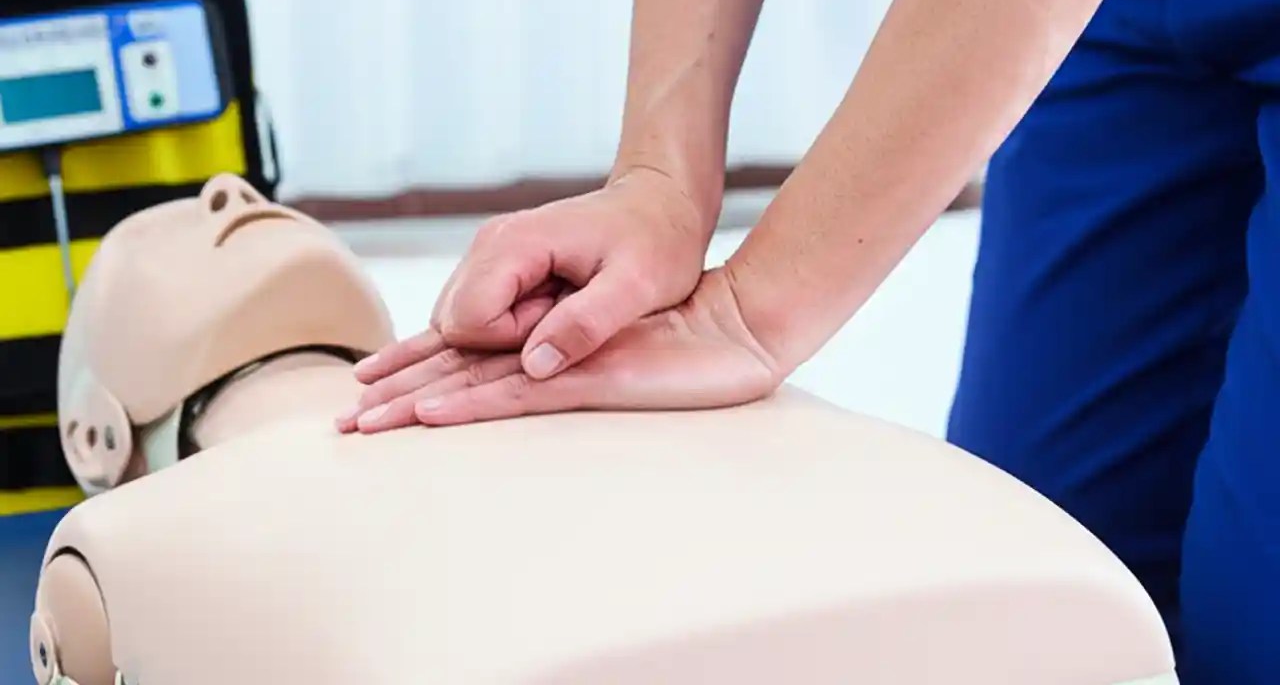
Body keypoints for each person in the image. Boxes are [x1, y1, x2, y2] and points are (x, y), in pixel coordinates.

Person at [339, 0, 1280, 681]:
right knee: (1050, 602)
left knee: (1254, 625)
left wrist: (753, 312)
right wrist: (659, 180)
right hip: (1136, 0)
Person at [36, 175, 1176, 684]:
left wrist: (742, 295)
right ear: (98, 442)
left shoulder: (619, 369)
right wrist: (660, 181)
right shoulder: (144, 540)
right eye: (186, 225)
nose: (230, 190)